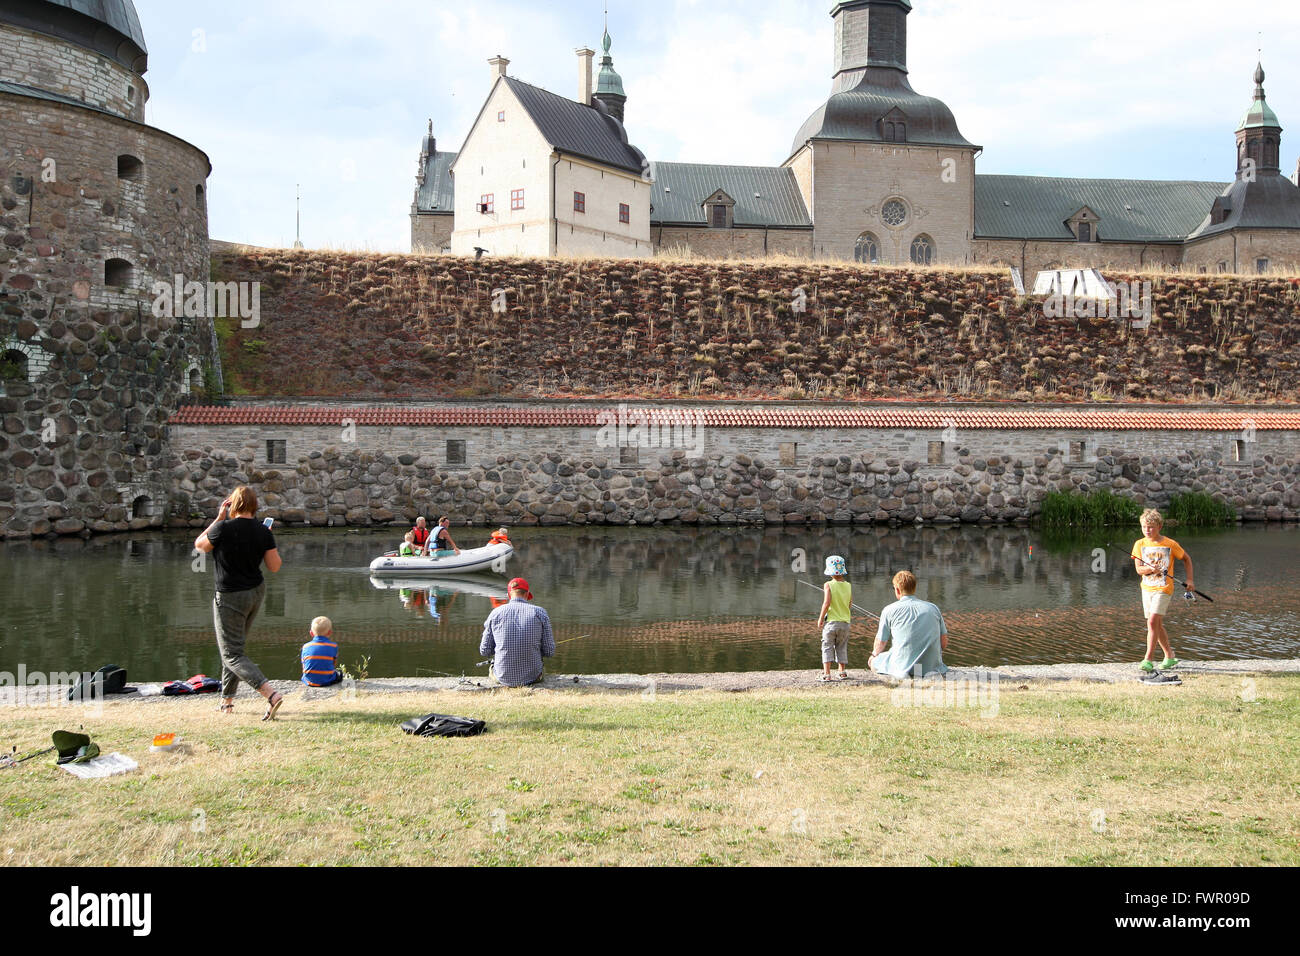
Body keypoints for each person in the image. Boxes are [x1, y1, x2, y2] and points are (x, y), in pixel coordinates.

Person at [194, 486, 285, 719]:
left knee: (231, 653)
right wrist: (263, 542)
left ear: (232, 505)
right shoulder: (263, 531)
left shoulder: (222, 528)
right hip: (255, 593)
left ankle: (271, 694)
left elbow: (199, 546)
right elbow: (274, 567)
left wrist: (217, 519)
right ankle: (227, 702)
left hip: (230, 595)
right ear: (255, 506)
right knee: (233, 649)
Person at [1131, 509, 1193, 672]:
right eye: (1144, 527)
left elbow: (1187, 559)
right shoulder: (1139, 544)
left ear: (1159, 526)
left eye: (1150, 527)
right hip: (1147, 588)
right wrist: (1150, 569)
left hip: (1164, 588)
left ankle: (1148, 659)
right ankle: (1170, 656)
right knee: (1155, 624)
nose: (1147, 530)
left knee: (1152, 622)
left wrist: (1190, 580)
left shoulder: (1170, 544)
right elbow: (1139, 570)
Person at [869, 570, 949, 679]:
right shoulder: (933, 608)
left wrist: (873, 656)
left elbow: (880, 643)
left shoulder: (888, 610)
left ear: (897, 590)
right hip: (931, 668)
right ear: (914, 588)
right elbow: (943, 643)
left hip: (902, 668)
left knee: (874, 661)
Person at [479, 577, 554, 687]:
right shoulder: (540, 613)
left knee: (492, 668)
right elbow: (549, 651)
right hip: (533, 677)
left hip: (503, 677)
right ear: (527, 593)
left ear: (509, 594)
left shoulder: (495, 613)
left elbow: (485, 651)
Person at [815, 555, 852, 681]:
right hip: (845, 623)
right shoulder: (848, 585)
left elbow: (826, 603)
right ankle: (842, 672)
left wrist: (820, 619)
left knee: (827, 646)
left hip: (831, 623)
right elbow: (850, 604)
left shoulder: (828, 585)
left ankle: (827, 674)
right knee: (841, 646)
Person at [301, 616, 343, 687]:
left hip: (309, 681)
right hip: (327, 681)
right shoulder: (333, 646)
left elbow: (304, 665)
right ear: (329, 633)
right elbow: (333, 664)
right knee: (339, 673)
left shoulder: (305, 646)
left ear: (311, 633)